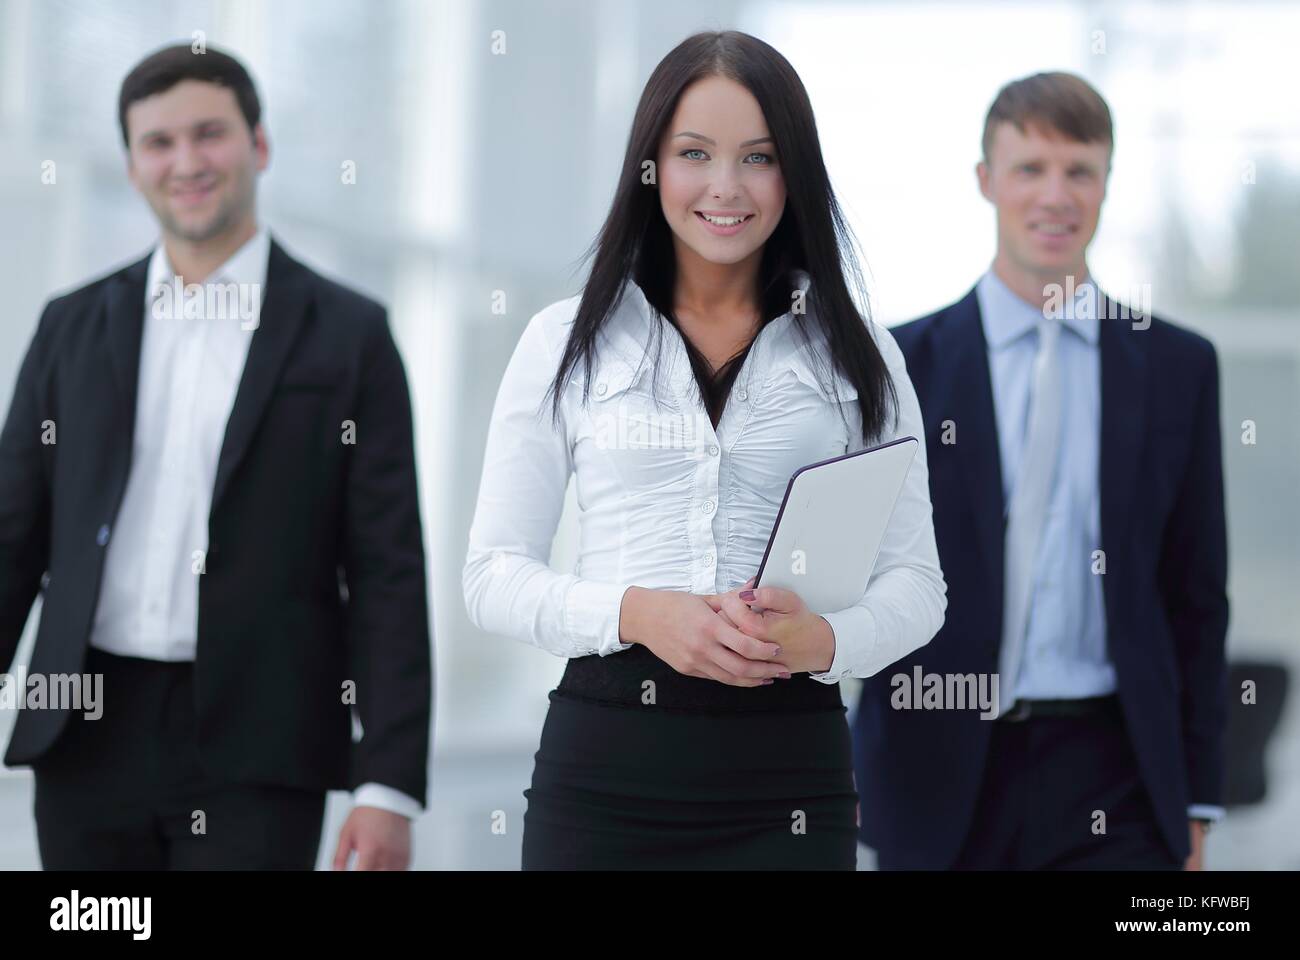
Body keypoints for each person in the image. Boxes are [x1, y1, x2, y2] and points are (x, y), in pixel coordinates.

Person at [463, 30, 946, 870]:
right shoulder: (563, 341)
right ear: (651, 166)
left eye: (758, 158)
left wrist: (825, 641)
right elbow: (492, 576)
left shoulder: (858, 353)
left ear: (793, 173)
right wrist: (641, 613)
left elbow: (918, 585)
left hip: (789, 781)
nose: (726, 188)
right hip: (603, 776)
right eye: (695, 153)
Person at [0, 44, 433, 870]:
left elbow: (387, 569)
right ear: (131, 166)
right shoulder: (71, 326)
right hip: (86, 726)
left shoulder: (351, 336)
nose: (187, 162)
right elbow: (12, 533)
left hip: (263, 738)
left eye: (210, 134)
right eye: (159, 143)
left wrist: (387, 784)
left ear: (258, 145)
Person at [852, 72, 1228, 870]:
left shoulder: (1178, 367)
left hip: (1117, 773)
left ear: (1106, 184)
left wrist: (1196, 797)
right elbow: (854, 577)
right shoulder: (896, 368)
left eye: (1079, 170)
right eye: (1030, 168)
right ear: (986, 181)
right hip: (939, 768)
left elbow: (1197, 594)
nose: (1055, 195)